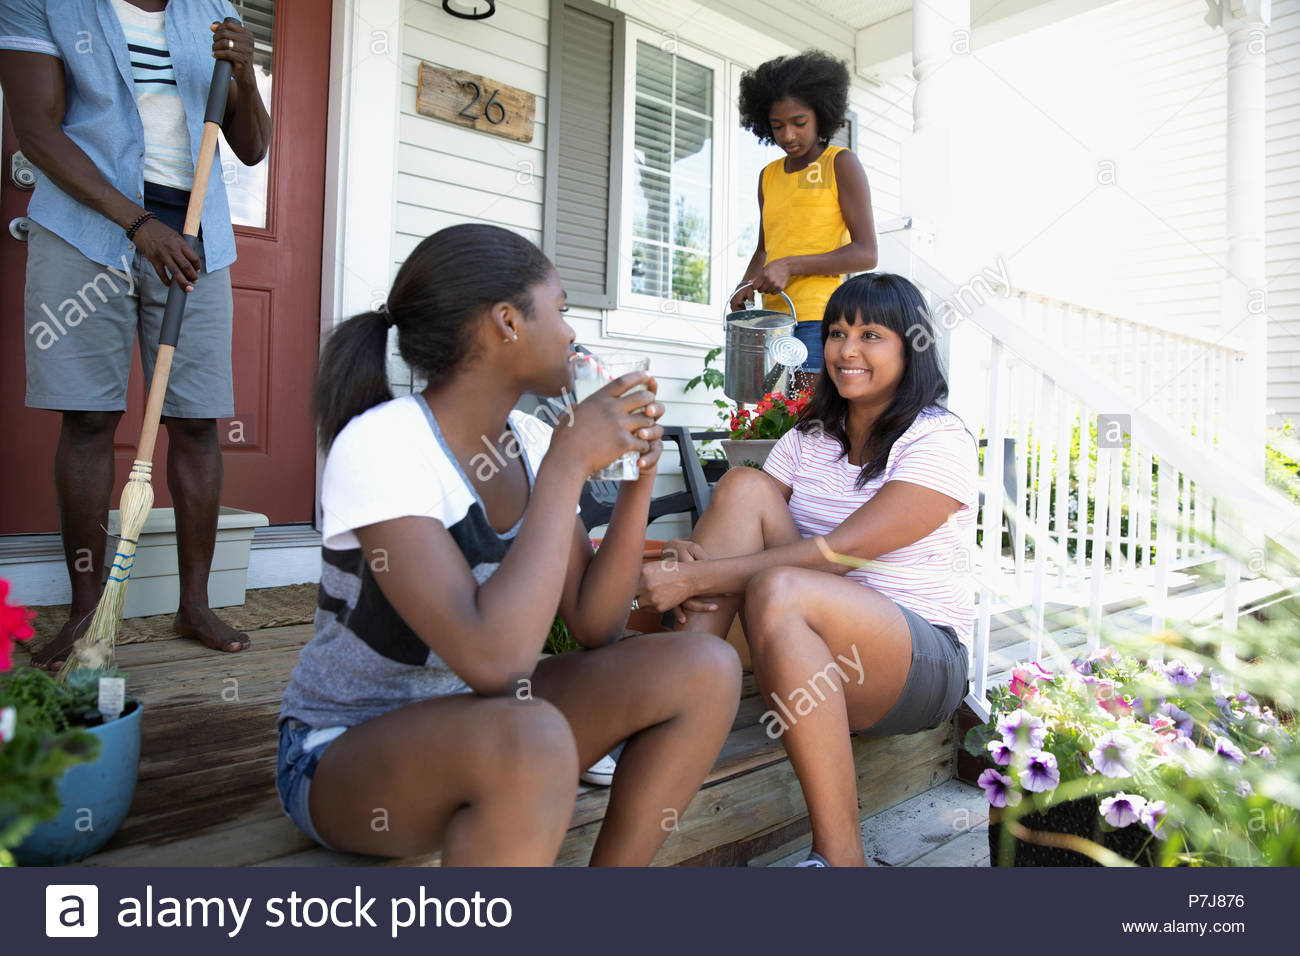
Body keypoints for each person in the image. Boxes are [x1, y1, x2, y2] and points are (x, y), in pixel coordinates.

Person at [277, 224, 741, 866]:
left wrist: (635, 483)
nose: (573, 333)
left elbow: (594, 624)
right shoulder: (384, 445)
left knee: (705, 668)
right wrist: (565, 468)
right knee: (532, 733)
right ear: (506, 322)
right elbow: (496, 662)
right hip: (346, 752)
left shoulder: (528, 438)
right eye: (561, 309)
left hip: (493, 720)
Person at [638, 273, 976, 867]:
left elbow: (843, 552)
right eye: (838, 332)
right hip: (803, 639)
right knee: (743, 486)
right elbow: (747, 523)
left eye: (871, 334)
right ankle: (661, 708)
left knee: (780, 586)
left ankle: (842, 861)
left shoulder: (937, 438)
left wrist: (695, 577)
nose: (847, 350)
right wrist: (693, 558)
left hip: (917, 661)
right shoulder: (812, 435)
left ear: (910, 346)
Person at [0, 1, 271, 667]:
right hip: (87, 229)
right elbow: (36, 128)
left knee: (197, 421)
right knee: (90, 418)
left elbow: (252, 147)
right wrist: (134, 222)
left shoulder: (214, 11)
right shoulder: (42, 4)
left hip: (194, 236)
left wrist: (245, 74)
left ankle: (195, 603)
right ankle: (89, 613)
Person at [730, 51, 878, 377]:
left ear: (820, 114)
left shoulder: (840, 164)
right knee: (775, 419)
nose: (788, 136)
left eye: (799, 123)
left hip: (819, 317)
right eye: (777, 126)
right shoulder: (768, 176)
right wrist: (746, 284)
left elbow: (866, 253)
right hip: (771, 320)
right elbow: (765, 249)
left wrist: (792, 264)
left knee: (808, 418)